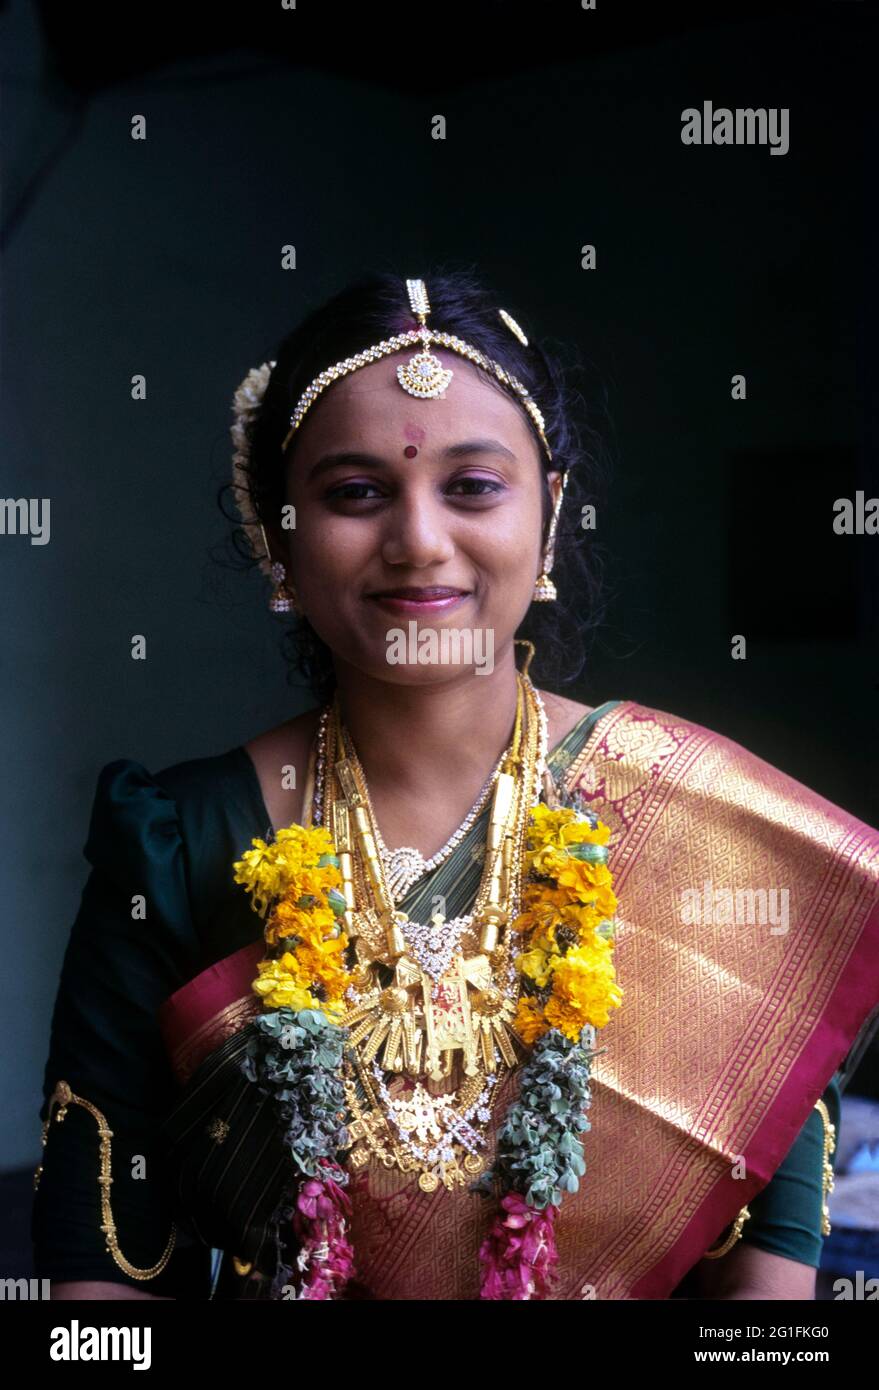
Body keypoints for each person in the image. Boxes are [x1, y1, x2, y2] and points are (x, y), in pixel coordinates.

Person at [32, 271, 879, 1301]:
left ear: (551, 512)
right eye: (355, 493)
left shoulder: (700, 826)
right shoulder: (176, 841)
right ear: (278, 531)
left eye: (473, 486)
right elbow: (98, 1292)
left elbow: (768, 1291)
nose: (421, 540)